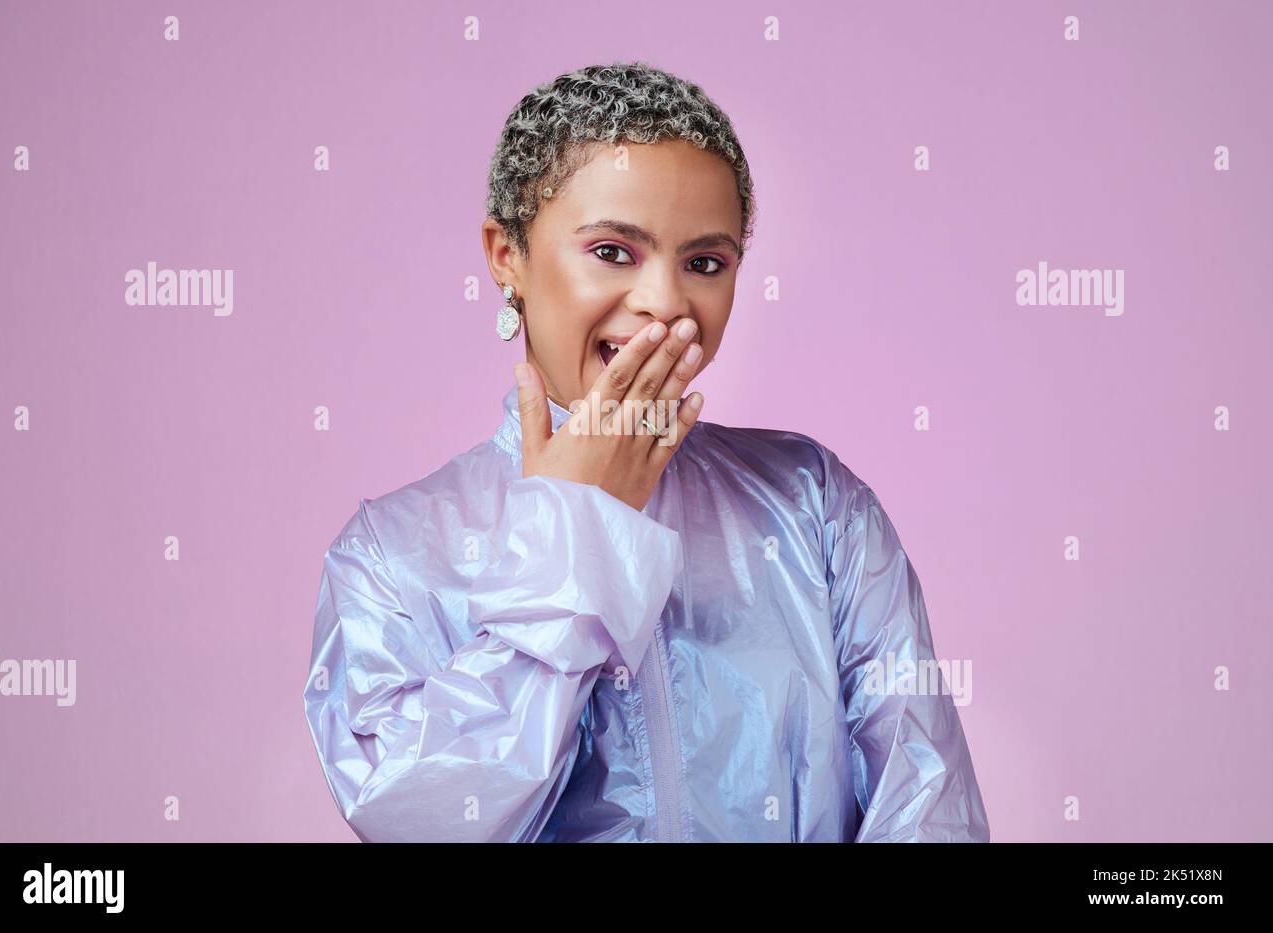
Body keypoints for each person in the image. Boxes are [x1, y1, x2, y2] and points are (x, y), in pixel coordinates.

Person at [302, 60, 989, 842]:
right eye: (613, 252)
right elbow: (420, 818)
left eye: (705, 263)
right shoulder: (391, 554)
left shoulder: (814, 504)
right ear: (507, 256)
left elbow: (927, 809)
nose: (666, 302)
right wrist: (573, 529)